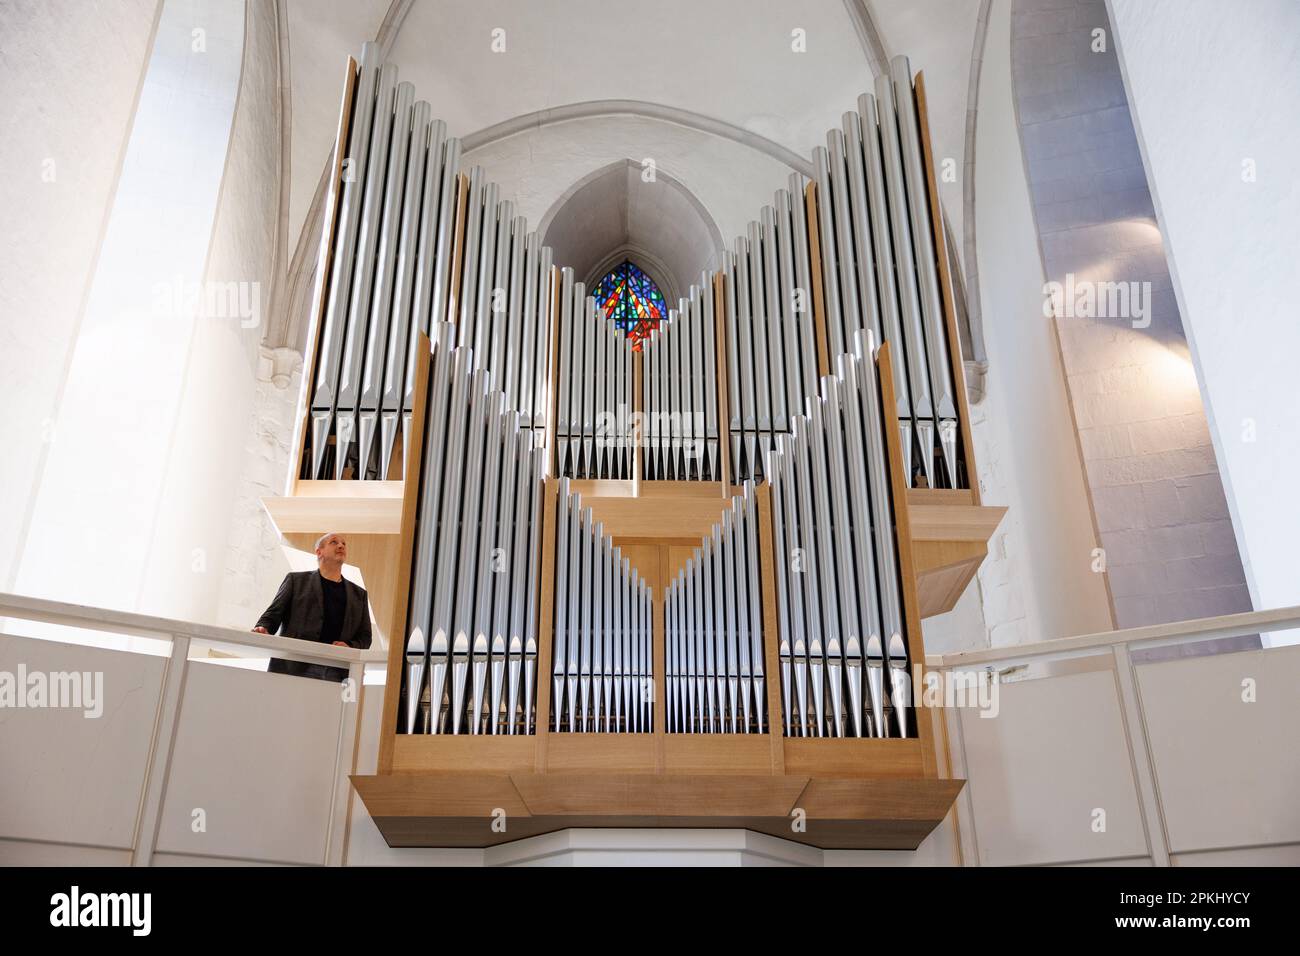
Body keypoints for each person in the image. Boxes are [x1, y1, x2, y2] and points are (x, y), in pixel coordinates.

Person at [253, 531, 372, 682]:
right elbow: (273, 614)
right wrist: (263, 627)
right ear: (319, 552)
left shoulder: (359, 594)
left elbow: (365, 637)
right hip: (294, 666)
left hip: (339, 671)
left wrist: (349, 645)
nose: (341, 545)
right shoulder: (296, 581)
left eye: (344, 543)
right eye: (334, 542)